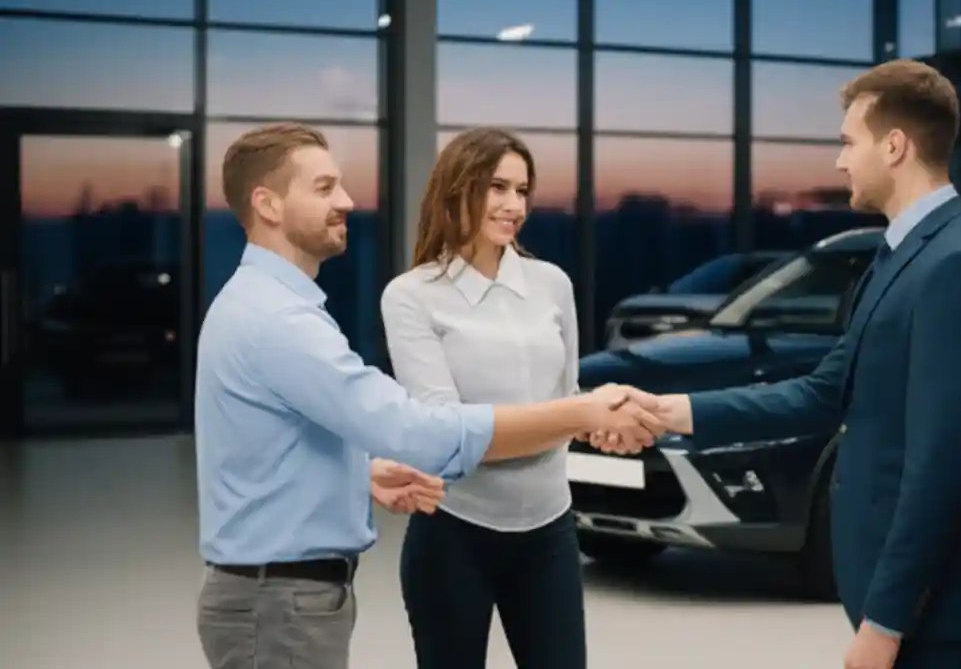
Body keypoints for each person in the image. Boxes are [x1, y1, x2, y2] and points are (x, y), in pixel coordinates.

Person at [194, 122, 661, 669]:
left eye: (522, 190)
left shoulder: (270, 306)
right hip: (286, 598)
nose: (347, 200)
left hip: (293, 598)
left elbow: (287, 440)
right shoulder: (282, 320)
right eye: (324, 188)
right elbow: (423, 431)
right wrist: (578, 412)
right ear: (267, 204)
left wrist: (361, 473)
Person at [606, 60, 961, 669]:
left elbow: (941, 468)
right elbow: (823, 392)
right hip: (901, 603)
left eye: (849, 142)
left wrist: (885, 624)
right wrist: (669, 410)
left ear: (896, 146)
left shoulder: (959, 266)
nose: (839, 161)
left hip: (934, 613)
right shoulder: (900, 255)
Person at [380, 127, 591, 668]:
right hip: (453, 536)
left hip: (550, 532)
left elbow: (568, 397)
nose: (513, 205)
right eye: (497, 187)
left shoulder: (553, 285)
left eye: (522, 191)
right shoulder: (410, 297)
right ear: (458, 188)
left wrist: (592, 416)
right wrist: (572, 416)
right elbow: (444, 437)